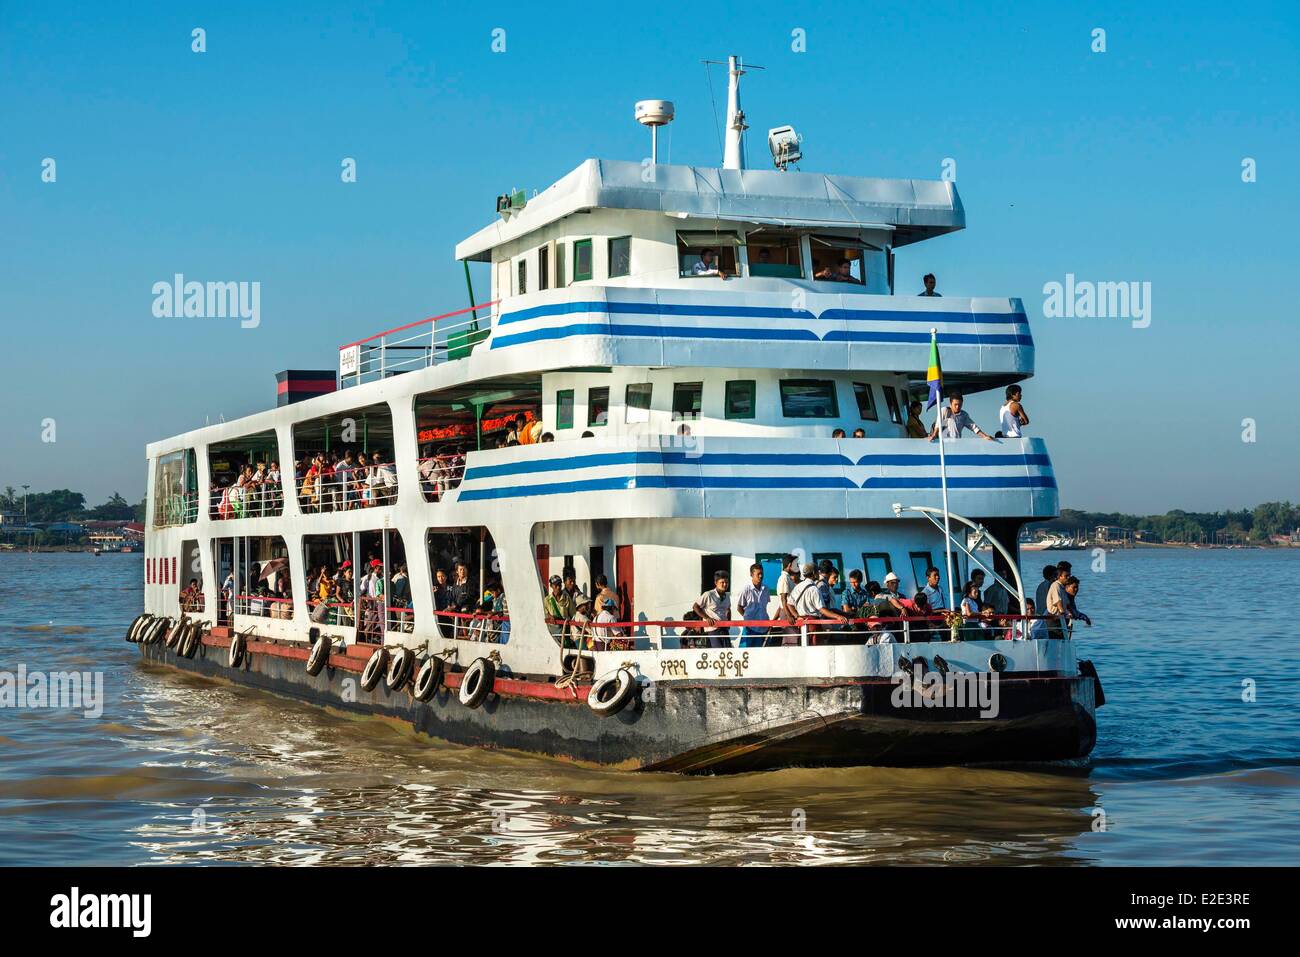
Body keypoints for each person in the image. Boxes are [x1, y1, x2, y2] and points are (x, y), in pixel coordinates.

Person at [930, 394, 996, 442]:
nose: (957, 407)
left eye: (960, 404)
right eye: (955, 404)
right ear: (950, 404)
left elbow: (973, 427)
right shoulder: (944, 410)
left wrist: (985, 436)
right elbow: (938, 424)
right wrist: (934, 435)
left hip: (957, 443)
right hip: (944, 443)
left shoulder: (964, 415)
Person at [735, 563, 772, 648]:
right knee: (745, 653)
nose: (761, 576)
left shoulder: (766, 589)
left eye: (762, 574)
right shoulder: (746, 589)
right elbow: (739, 607)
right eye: (758, 574)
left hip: (763, 628)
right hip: (749, 628)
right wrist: (747, 617)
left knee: (758, 655)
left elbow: (764, 608)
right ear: (751, 575)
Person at [693, 570, 733, 648]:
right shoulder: (708, 594)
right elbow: (695, 607)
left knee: (727, 651)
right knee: (717, 652)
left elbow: (728, 609)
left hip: (724, 629)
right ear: (716, 583)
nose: (725, 584)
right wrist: (707, 618)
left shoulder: (727, 596)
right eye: (722, 582)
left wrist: (729, 623)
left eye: (726, 582)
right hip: (712, 629)